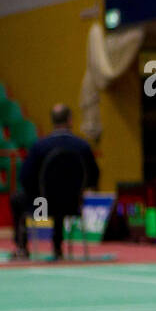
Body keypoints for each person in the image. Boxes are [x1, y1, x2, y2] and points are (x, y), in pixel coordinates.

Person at [10, 104, 99, 260]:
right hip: (72, 205)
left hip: (42, 207)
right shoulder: (83, 146)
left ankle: (22, 247)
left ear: (52, 121)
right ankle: (57, 248)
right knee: (59, 200)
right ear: (70, 120)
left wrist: (39, 194)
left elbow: (24, 178)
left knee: (17, 198)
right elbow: (94, 177)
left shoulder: (40, 146)